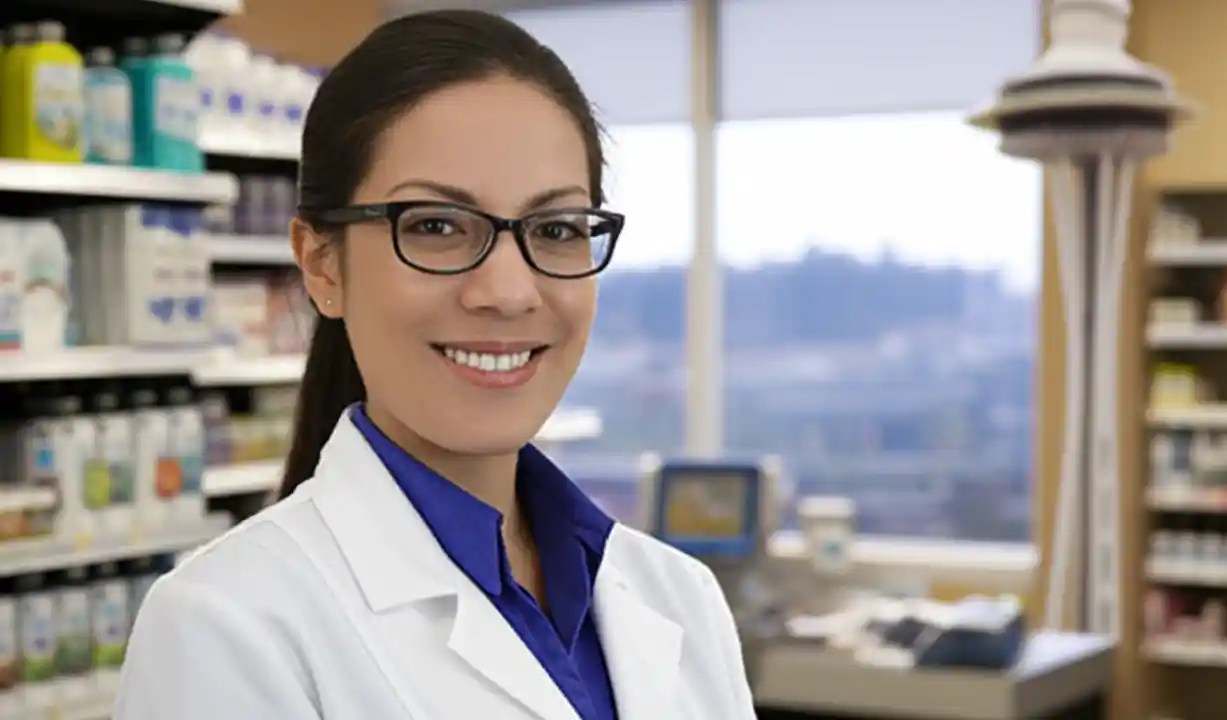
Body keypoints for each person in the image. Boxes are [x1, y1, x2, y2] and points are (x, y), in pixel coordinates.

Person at [115, 10, 756, 720]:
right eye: (436, 226)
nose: (509, 291)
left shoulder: (677, 595)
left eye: (556, 229)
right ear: (322, 265)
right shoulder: (228, 624)